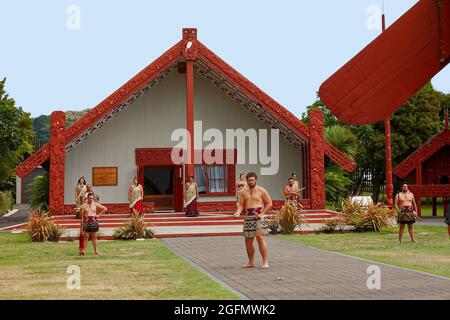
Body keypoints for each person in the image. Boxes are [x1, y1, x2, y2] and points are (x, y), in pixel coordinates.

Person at [234, 172, 272, 268]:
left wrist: (262, 213)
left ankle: (265, 262)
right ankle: (251, 262)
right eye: (249, 180)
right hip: (248, 217)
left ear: (255, 180)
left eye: (252, 180)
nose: (251, 182)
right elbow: (241, 204)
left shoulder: (261, 190)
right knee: (248, 240)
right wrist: (238, 212)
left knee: (260, 238)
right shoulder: (243, 192)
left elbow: (269, 203)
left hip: (258, 216)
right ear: (247, 180)